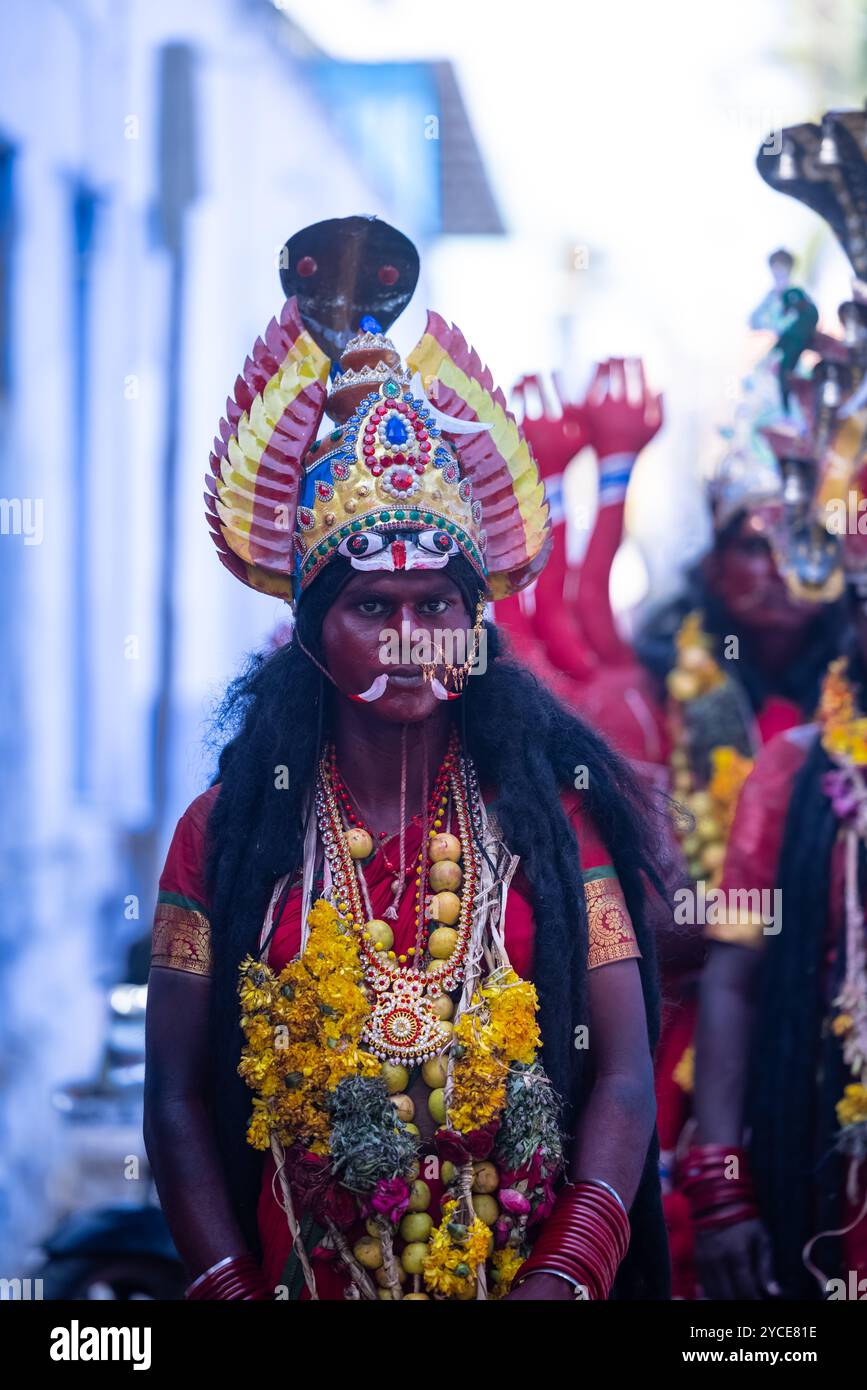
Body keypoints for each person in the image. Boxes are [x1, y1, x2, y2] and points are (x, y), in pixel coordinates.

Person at [143, 215, 672, 1302]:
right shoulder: (225, 831)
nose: (411, 635)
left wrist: (567, 1277)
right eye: (374, 607)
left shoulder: (548, 817)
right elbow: (179, 1103)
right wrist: (233, 1292)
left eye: (438, 603)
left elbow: (621, 1078)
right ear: (309, 627)